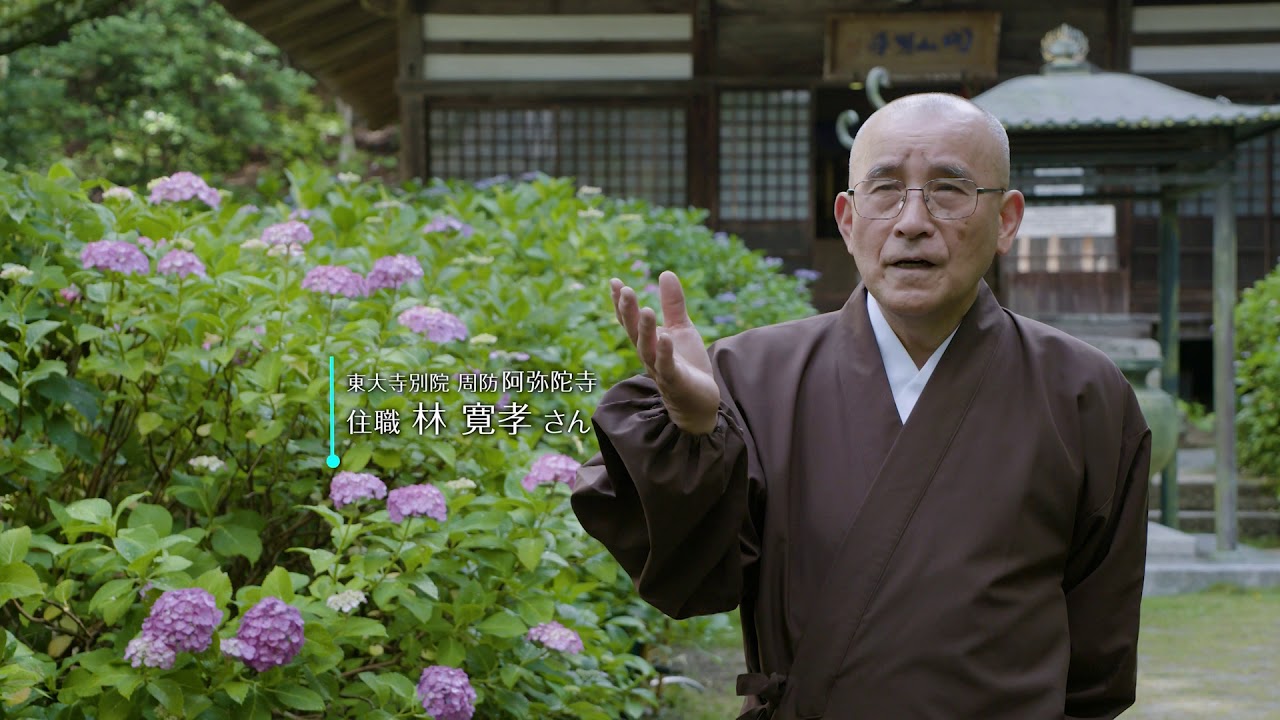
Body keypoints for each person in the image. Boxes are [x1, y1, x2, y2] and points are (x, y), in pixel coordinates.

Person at [570, 93, 1151, 720]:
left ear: (1007, 220)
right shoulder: (747, 378)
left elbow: (1098, 660)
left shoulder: (1084, 393)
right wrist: (694, 436)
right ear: (848, 220)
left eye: (948, 190)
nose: (911, 221)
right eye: (885, 190)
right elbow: (696, 579)